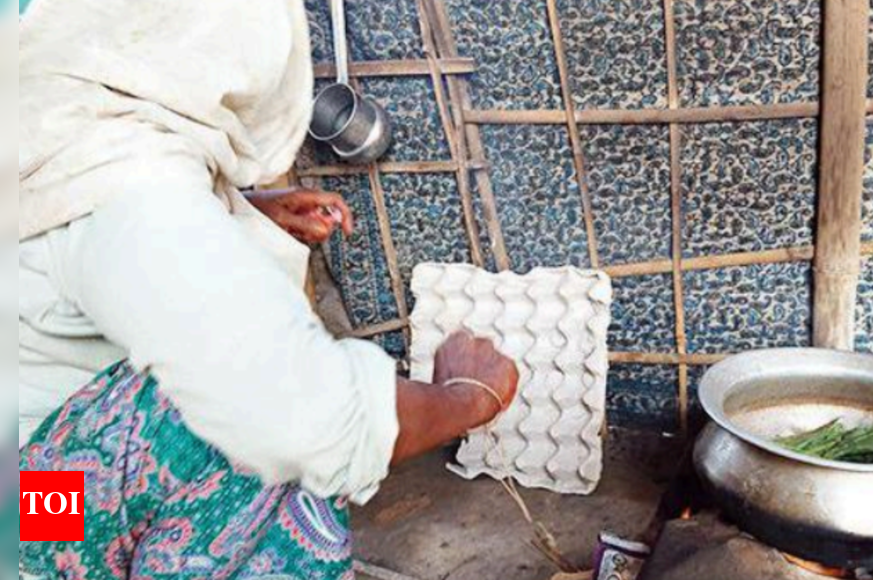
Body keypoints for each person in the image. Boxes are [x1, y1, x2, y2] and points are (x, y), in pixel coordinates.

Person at [16, 1, 520, 578]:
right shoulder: (125, 190)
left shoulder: (53, 111)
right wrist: (468, 396)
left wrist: (236, 213)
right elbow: (310, 419)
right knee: (244, 416)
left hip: (29, 493)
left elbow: (65, 245)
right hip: (37, 522)